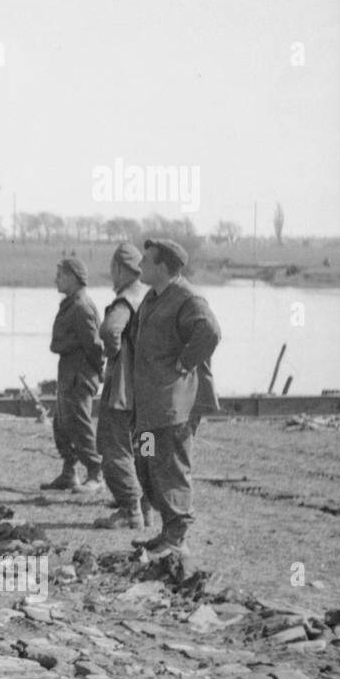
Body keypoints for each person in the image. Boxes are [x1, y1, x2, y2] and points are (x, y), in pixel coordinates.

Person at [126, 238, 222, 556]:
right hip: (151, 403)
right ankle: (167, 530)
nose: (140, 266)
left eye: (146, 261)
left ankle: (177, 535)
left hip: (174, 405)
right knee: (148, 461)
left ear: (163, 266)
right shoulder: (154, 297)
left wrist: (185, 361)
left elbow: (209, 331)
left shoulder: (186, 298)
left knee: (170, 465)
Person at [92, 242, 150, 529]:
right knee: (145, 447)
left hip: (123, 388)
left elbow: (111, 329)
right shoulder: (151, 297)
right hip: (148, 389)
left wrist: (113, 353)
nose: (111, 275)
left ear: (122, 269)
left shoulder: (125, 300)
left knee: (113, 445)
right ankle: (147, 507)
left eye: (113, 269)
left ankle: (130, 510)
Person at [42, 257, 104, 493]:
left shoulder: (81, 307)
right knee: (62, 424)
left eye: (60, 275)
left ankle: (95, 475)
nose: (56, 280)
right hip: (69, 374)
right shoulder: (70, 304)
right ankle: (69, 473)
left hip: (80, 376)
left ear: (73, 278)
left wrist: (97, 374)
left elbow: (95, 347)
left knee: (80, 426)